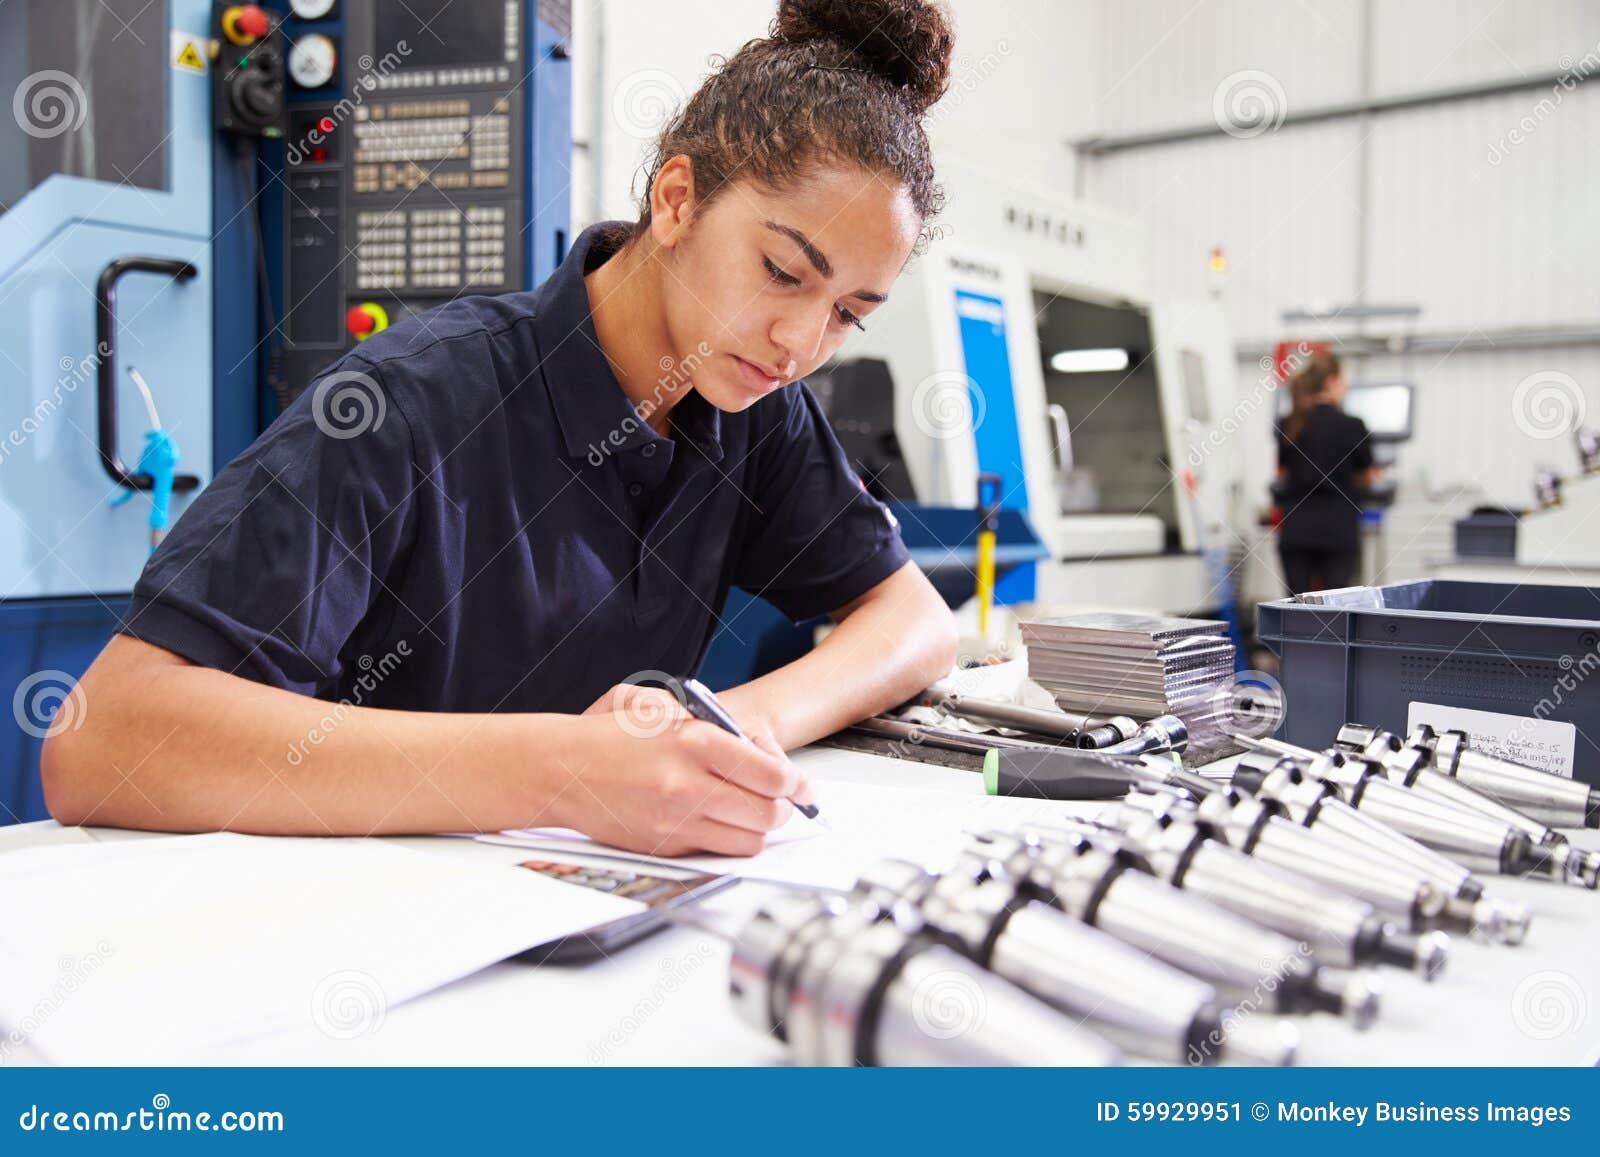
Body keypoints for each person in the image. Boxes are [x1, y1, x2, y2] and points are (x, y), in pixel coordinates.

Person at [42, 0, 960, 856]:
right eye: (781, 271)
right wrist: (565, 772)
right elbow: (103, 738)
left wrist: (735, 725)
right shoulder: (411, 402)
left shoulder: (753, 409)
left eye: (848, 313)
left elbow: (913, 619)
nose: (800, 343)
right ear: (677, 201)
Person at [1274, 352, 1380, 593]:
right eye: (1343, 382)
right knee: (1335, 609)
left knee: (1295, 607)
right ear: (1331, 381)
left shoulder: (1290, 423)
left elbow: (1281, 474)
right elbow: (1368, 476)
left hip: (1296, 529)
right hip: (1338, 530)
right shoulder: (1353, 425)